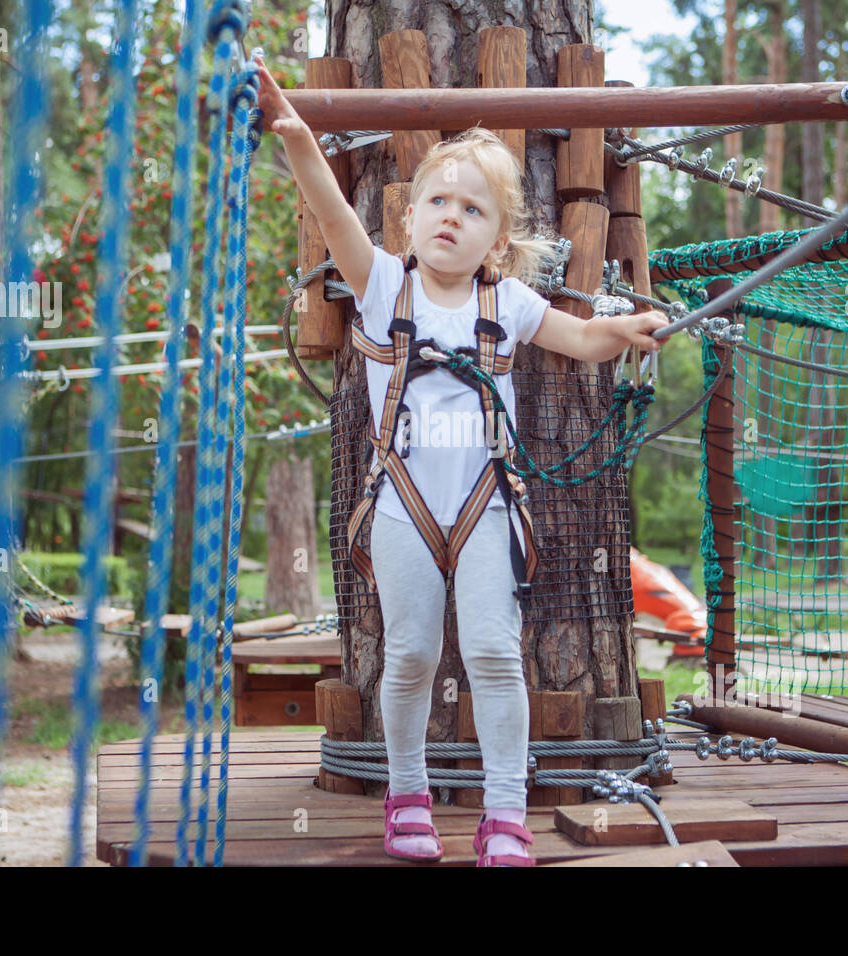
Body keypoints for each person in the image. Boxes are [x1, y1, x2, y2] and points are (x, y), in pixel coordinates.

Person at [256, 54, 668, 866]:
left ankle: (504, 812)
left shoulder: (506, 302)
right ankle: (407, 793)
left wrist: (621, 331)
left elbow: (579, 337)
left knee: (489, 648)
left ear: (498, 239)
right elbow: (333, 212)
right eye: (436, 201)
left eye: (471, 208)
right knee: (410, 652)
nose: (450, 216)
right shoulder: (382, 288)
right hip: (403, 502)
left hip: (485, 504)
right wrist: (298, 135)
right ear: (409, 220)